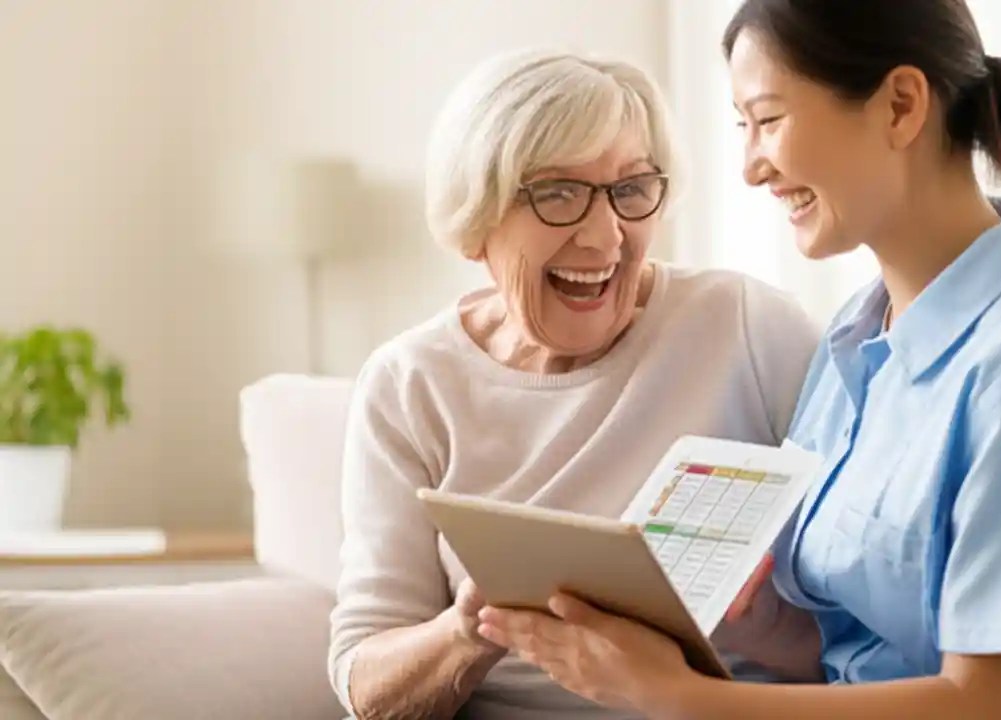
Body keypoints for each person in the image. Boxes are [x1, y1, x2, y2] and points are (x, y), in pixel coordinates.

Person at [476, 2, 1001, 719]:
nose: (752, 167)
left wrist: (671, 694)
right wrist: (741, 625)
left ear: (901, 106)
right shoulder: (859, 336)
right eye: (742, 126)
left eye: (769, 120)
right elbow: (864, 652)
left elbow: (987, 705)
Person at [326, 47, 822, 720]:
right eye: (557, 193)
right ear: (477, 220)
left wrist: (752, 617)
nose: (606, 236)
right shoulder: (409, 384)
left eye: (630, 188)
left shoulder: (747, 328)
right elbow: (367, 689)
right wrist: (473, 625)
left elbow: (882, 645)